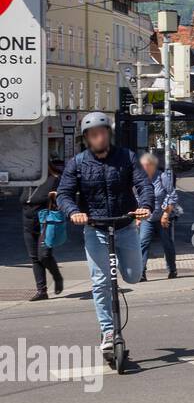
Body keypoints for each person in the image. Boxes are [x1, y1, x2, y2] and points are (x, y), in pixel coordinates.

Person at [56, 112, 153, 351]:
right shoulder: (77, 163)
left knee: (132, 275)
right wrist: (73, 212)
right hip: (96, 229)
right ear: (87, 138)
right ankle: (108, 331)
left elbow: (143, 184)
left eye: (101, 133)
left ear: (108, 134)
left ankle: (120, 277)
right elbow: (63, 194)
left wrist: (145, 206)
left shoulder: (126, 157)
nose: (97, 138)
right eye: (92, 135)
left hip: (125, 225)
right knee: (100, 282)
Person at [22, 158, 65, 301]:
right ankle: (42, 291)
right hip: (28, 224)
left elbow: (62, 199)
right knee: (34, 258)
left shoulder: (54, 179)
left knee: (44, 255)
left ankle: (57, 277)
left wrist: (55, 198)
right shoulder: (27, 181)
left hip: (45, 224)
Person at [137, 152, 179, 281]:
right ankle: (141, 272)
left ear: (153, 166)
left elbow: (172, 195)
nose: (144, 168)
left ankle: (172, 269)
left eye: (147, 165)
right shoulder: (139, 179)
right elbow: (135, 198)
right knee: (143, 243)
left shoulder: (162, 177)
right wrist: (137, 216)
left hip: (163, 217)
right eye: (142, 165)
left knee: (167, 244)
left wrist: (166, 213)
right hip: (147, 218)